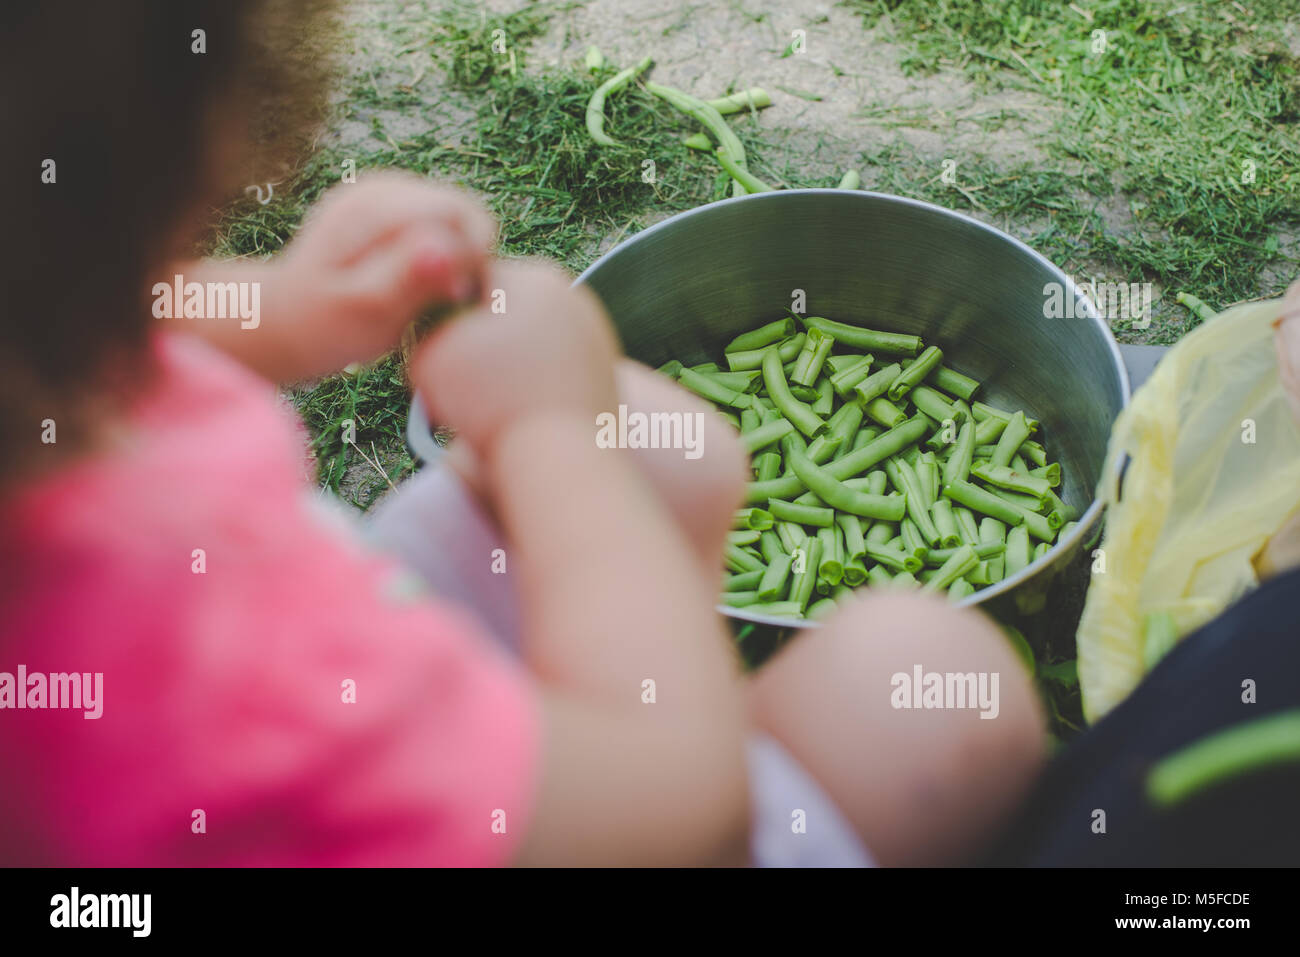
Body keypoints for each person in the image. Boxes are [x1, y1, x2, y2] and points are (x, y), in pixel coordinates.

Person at [0, 0, 1043, 867]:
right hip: (611, 804)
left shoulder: (41, 350)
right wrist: (554, 434)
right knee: (933, 690)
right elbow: (682, 811)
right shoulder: (227, 687)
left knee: (661, 449)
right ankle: (632, 694)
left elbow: (76, 318)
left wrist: (290, 309)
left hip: (336, 649)